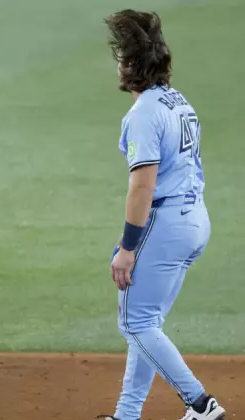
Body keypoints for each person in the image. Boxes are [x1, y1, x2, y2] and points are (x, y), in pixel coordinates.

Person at [96, 9, 225, 420]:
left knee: (135, 324)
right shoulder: (177, 101)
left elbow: (142, 185)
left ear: (132, 66)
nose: (117, 65)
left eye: (122, 57)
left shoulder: (143, 114)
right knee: (146, 323)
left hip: (166, 223)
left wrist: (128, 247)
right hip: (194, 220)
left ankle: (201, 404)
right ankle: (126, 415)